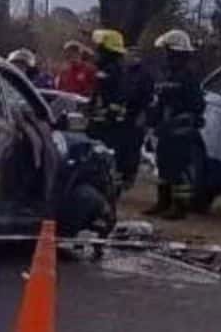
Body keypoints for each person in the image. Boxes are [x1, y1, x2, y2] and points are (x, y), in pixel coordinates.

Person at [145, 29, 205, 220]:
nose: (166, 56)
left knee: (179, 169)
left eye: (168, 51)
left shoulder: (188, 77)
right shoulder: (169, 75)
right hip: (166, 128)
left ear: (176, 52)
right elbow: (161, 102)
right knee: (163, 166)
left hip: (181, 130)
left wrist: (181, 120)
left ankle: (180, 207)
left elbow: (197, 106)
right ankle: (163, 202)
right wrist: (153, 120)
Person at [86, 29, 129, 187]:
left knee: (106, 155)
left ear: (107, 50)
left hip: (109, 124)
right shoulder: (108, 69)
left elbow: (117, 97)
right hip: (103, 121)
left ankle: (108, 186)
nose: (97, 52)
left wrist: (108, 115)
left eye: (100, 48)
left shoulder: (114, 70)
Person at [120, 46, 154, 188]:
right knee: (122, 145)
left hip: (137, 114)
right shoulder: (125, 72)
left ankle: (130, 176)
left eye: (131, 55)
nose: (127, 58)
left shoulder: (145, 75)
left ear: (137, 57)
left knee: (133, 146)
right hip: (124, 114)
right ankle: (121, 174)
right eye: (127, 55)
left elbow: (148, 98)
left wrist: (143, 115)